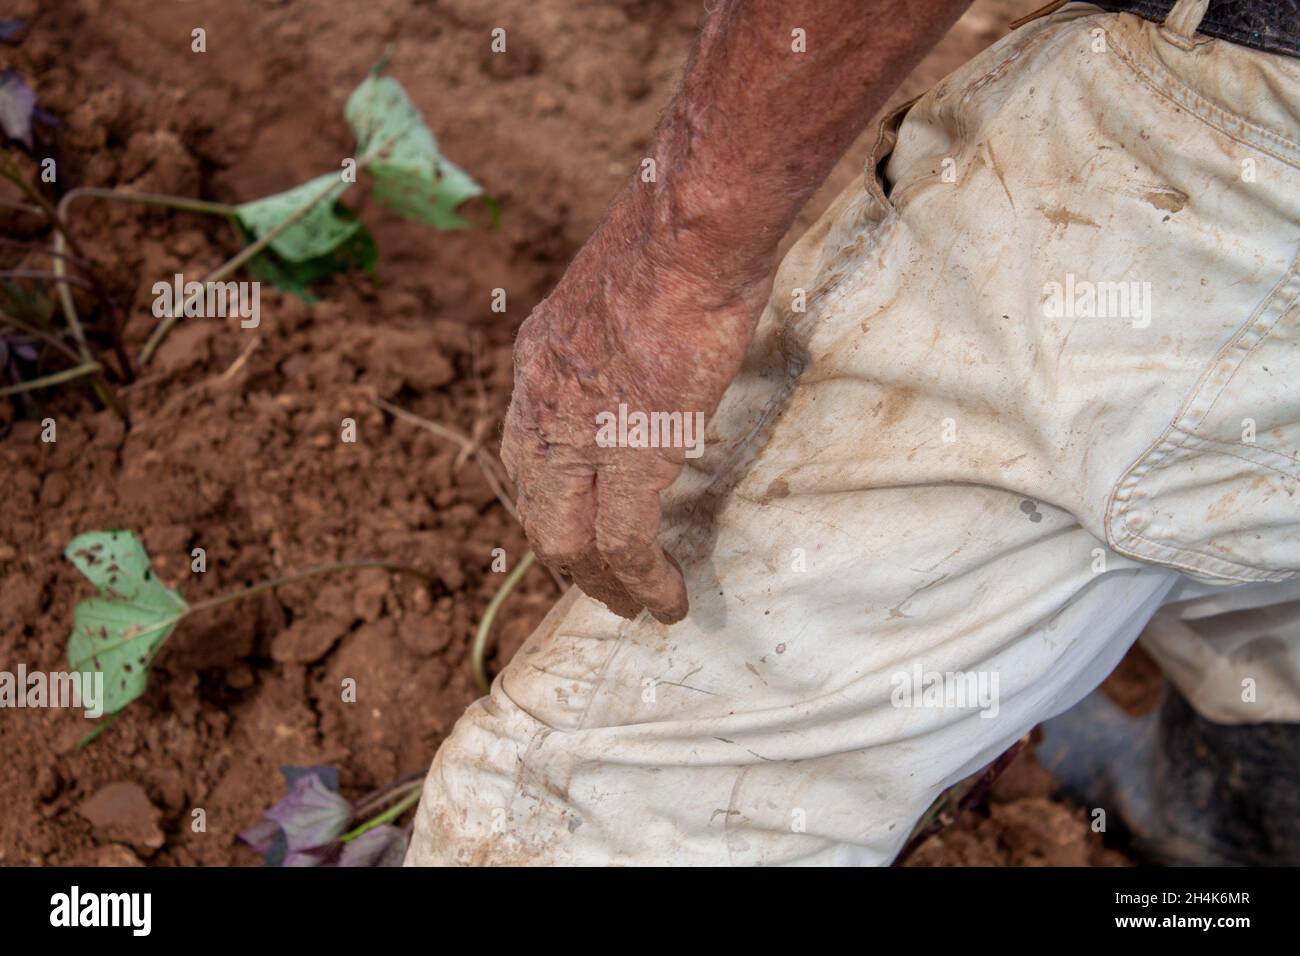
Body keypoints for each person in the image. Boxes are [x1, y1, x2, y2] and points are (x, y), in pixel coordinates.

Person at [405, 0, 1300, 865]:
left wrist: (677, 262)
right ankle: (1241, 809)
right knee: (1235, 485)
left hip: (1240, 138)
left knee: (587, 798)